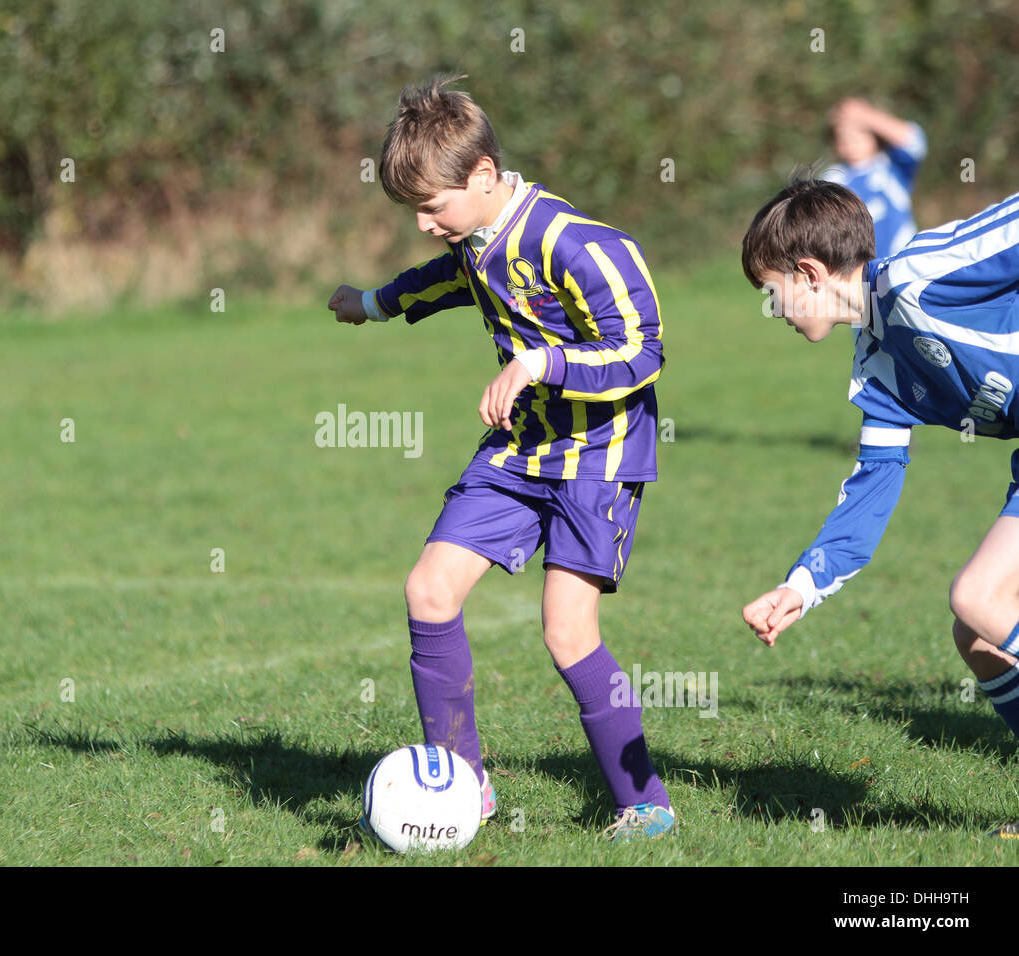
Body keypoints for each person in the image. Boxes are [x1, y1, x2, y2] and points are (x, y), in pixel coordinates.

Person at [327, 74, 676, 840]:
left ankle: (645, 804)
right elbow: (451, 279)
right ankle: (462, 785)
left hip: (598, 455)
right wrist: (377, 303)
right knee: (430, 590)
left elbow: (643, 353)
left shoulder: (579, 243)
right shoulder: (474, 237)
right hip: (521, 451)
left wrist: (538, 364)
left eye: (431, 206)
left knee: (566, 633)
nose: (423, 223)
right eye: (412, 208)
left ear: (484, 175)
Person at [740, 178, 1019, 785]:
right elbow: (873, 487)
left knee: (979, 598)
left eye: (773, 292)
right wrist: (801, 586)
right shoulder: (878, 368)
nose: (775, 311)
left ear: (810, 272)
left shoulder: (919, 275)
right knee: (980, 636)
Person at [822, 97, 927, 257]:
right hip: (858, 268)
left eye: (859, 133)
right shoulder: (833, 178)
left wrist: (865, 115)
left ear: (875, 135)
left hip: (900, 260)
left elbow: (914, 141)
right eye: (843, 135)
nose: (850, 141)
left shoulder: (892, 165)